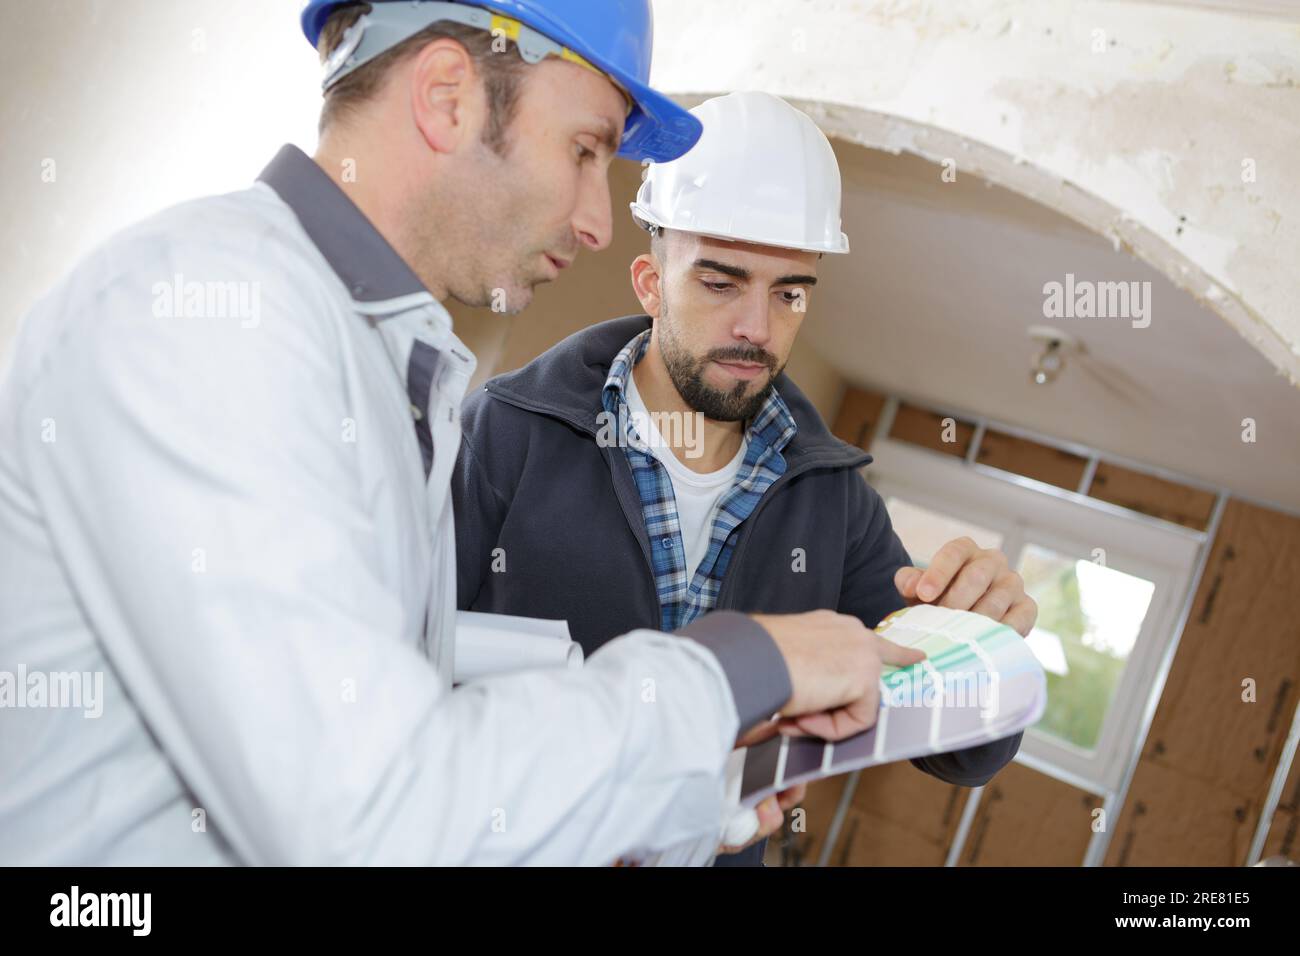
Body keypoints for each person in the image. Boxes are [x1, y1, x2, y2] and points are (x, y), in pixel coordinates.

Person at [0, 3, 927, 865]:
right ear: (448, 98)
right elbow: (364, 816)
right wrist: (729, 670)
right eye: (584, 150)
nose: (599, 221)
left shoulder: (386, 370)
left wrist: (689, 791)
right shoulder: (212, 315)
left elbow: (409, 728)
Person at [453, 92, 1038, 865]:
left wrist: (983, 644)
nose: (757, 329)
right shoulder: (507, 430)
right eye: (721, 282)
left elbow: (961, 754)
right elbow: (392, 669)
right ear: (650, 281)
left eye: (788, 291)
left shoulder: (837, 505)